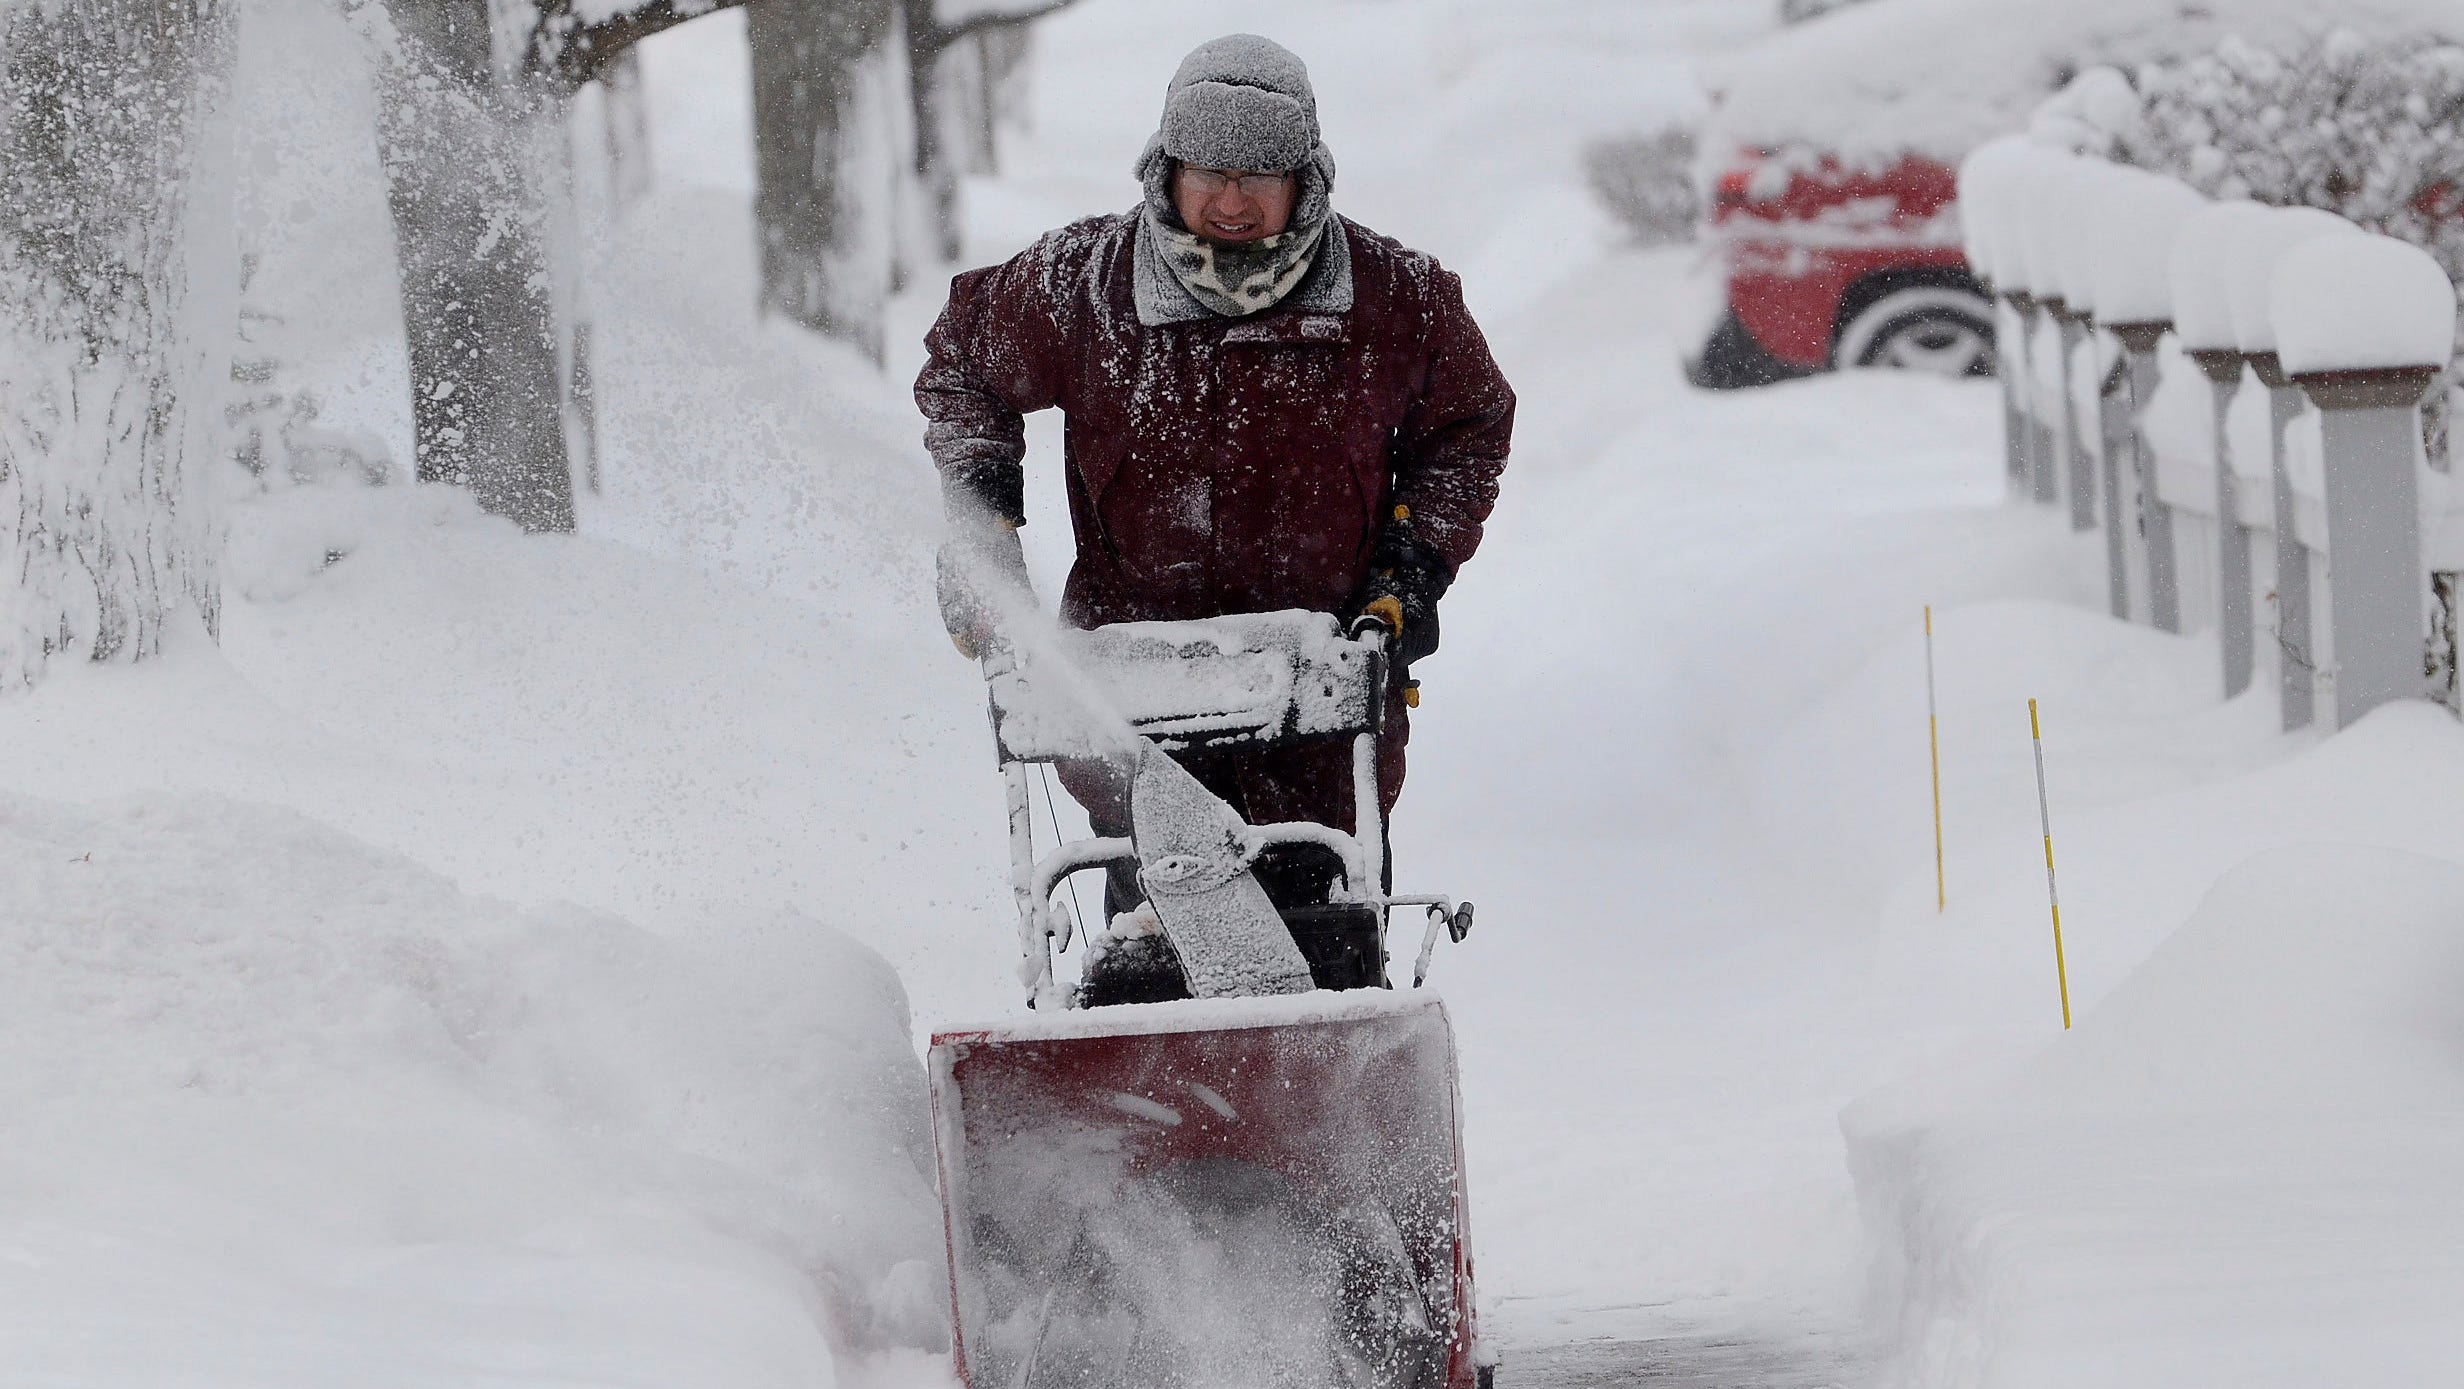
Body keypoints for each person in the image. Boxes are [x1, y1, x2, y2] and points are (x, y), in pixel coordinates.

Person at [917, 32, 1514, 924]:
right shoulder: (1086, 288)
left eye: (1259, 179)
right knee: (1147, 961)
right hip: (1134, 723)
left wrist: (1409, 574)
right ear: (1166, 170)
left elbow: (1469, 427)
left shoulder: (1395, 300)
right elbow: (963, 364)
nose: (1231, 204)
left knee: (1332, 956)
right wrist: (985, 536)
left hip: (1325, 719)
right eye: (1209, 176)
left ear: (1305, 180)